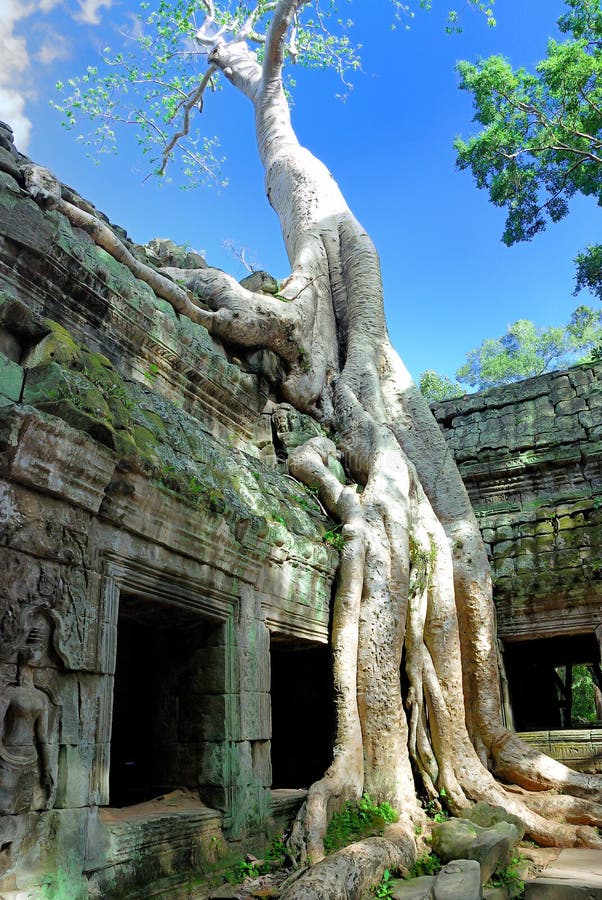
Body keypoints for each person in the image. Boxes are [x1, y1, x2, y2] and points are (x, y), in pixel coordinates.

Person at [0, 634, 54, 814]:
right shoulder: (10, 693)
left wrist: (46, 768)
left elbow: (42, 737)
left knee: (25, 806)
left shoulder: (42, 698)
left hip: (31, 758)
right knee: (4, 806)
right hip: (8, 755)